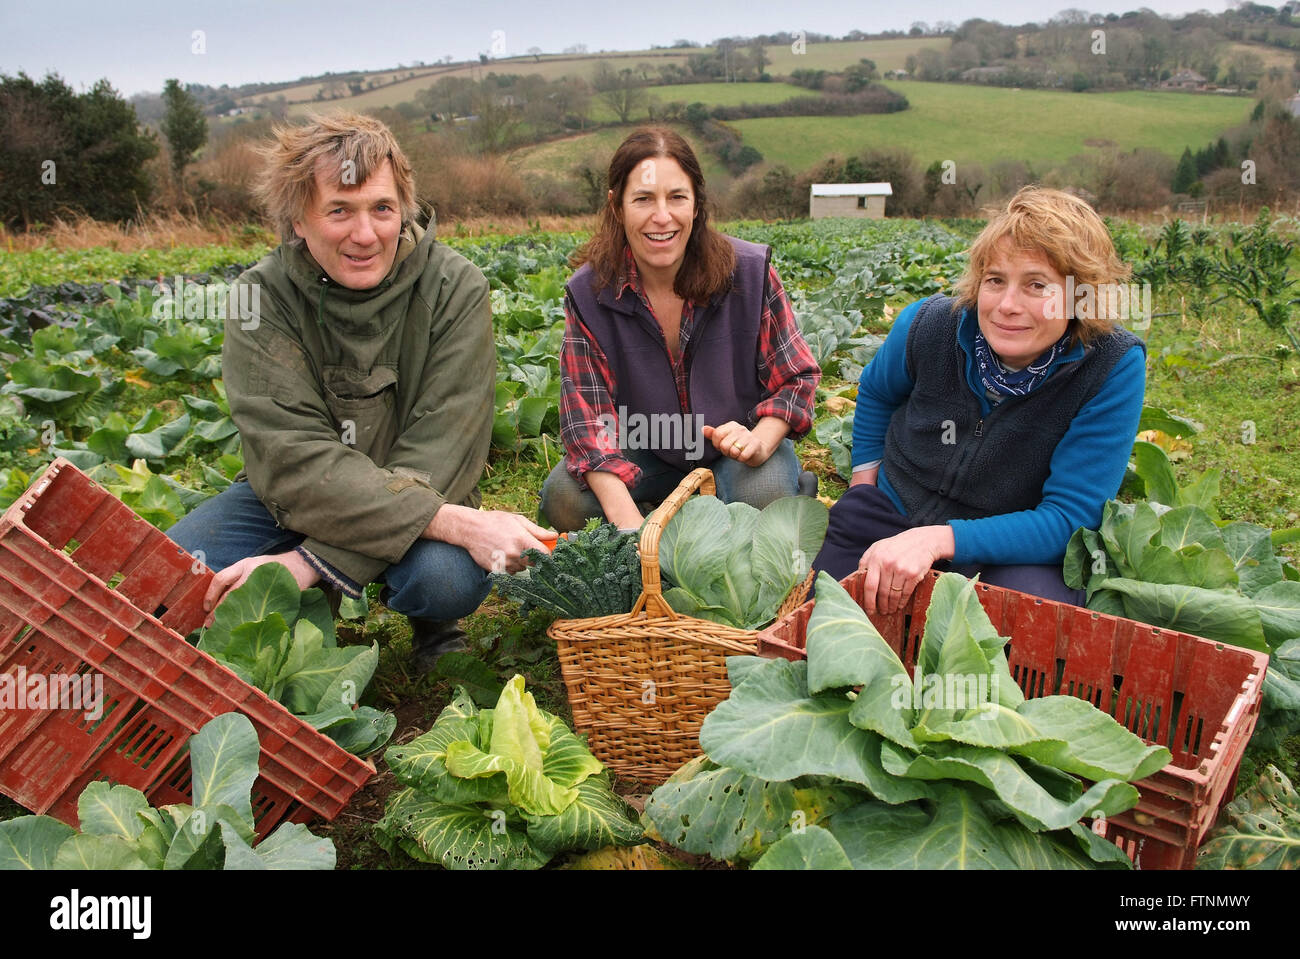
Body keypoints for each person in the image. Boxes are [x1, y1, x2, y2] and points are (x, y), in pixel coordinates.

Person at [168, 112, 552, 669]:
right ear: (298, 219)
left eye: (382, 209)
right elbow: (293, 460)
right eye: (339, 210)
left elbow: (442, 449)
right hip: (294, 498)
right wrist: (462, 523)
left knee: (447, 580)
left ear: (405, 210)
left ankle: (431, 622)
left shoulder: (456, 287)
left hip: (425, 486)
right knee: (172, 575)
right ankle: (308, 603)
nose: (365, 234)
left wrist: (307, 564)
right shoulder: (261, 298)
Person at [812, 186, 1146, 615]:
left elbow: (1069, 518)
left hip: (1009, 544)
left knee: (1025, 624)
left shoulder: (1111, 366)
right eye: (995, 280)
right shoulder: (929, 325)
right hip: (895, 508)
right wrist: (863, 486)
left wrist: (937, 539)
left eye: (1036, 285)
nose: (1007, 305)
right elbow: (876, 392)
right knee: (823, 621)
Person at [540, 127, 821, 531]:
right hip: (644, 448)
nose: (662, 216)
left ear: (696, 203)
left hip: (735, 448)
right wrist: (629, 524)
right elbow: (587, 421)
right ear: (616, 206)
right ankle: (666, 508)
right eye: (643, 199)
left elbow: (796, 377)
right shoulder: (589, 294)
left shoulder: (751, 273)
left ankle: (778, 489)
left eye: (677, 197)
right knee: (565, 501)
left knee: (766, 498)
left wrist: (760, 440)